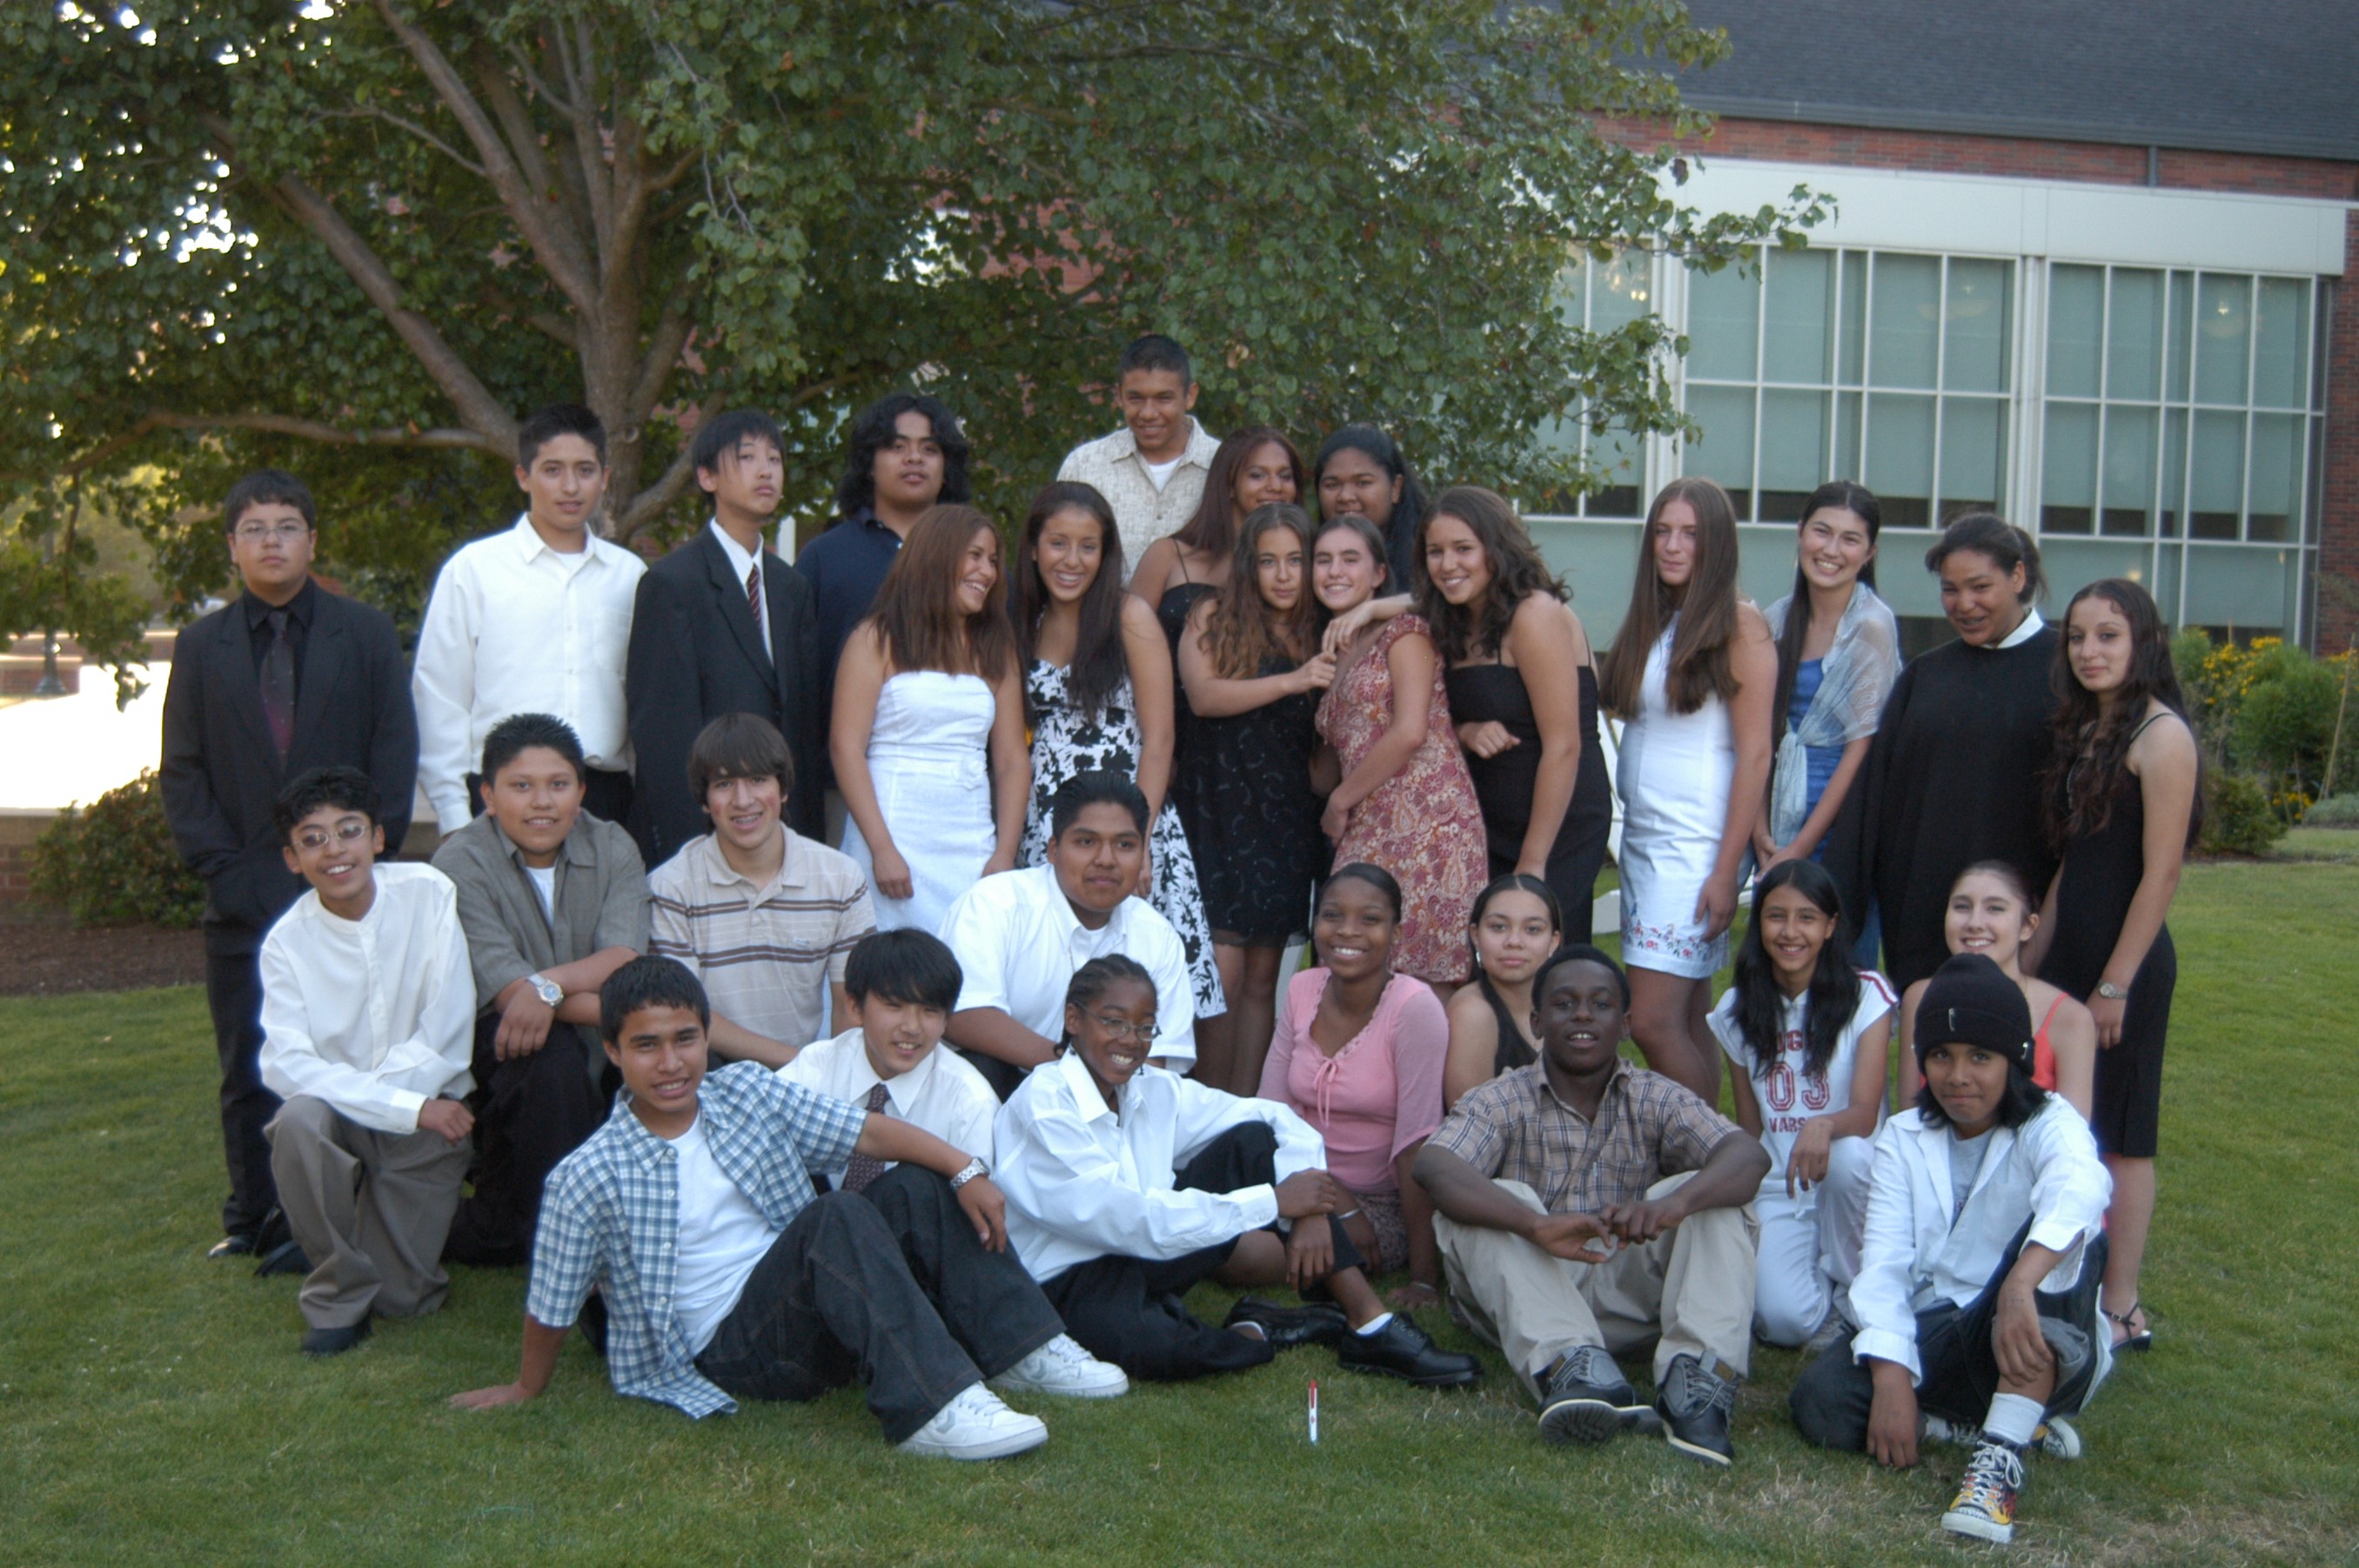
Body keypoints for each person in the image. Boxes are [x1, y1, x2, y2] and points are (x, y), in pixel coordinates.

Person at [450, 956, 1129, 1456]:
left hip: (809, 1301)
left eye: (685, 1039)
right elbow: (553, 1297)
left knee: (917, 1182)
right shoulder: (588, 1173)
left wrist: (962, 1167)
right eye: (645, 1046)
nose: (670, 1063)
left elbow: (863, 1131)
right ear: (612, 1052)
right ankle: (938, 1407)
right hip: (732, 1349)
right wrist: (524, 1387)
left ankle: (1024, 1349)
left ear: (707, 1035)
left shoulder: (743, 1090)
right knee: (832, 1215)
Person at [994, 955, 1479, 1387]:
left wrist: (1307, 1213)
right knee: (1176, 1352)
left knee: (1253, 1140)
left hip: (1143, 1254)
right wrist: (1274, 1202)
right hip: (1067, 1279)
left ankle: (1371, 1322)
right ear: (1073, 1020)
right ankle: (1264, 1325)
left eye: (1145, 1028)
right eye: (1114, 1022)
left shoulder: (1151, 1088)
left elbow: (1272, 1117)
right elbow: (1128, 1217)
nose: (1131, 1041)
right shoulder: (1045, 1104)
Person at [161, 468, 419, 1268]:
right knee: (248, 1061)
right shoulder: (201, 647)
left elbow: (393, 750)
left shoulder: (367, 635)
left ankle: (358, 1205)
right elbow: (183, 769)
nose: (272, 541)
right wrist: (228, 873)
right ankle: (255, 1217)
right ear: (232, 546)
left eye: (286, 526)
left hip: (347, 890)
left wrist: (357, 855)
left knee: (356, 1050)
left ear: (313, 539)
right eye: (255, 529)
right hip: (243, 892)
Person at [1789, 953, 2114, 1548]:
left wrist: (2018, 1286)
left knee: (2065, 1244)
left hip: (2035, 1331)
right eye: (1940, 1055)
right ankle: (1980, 1427)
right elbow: (1881, 1264)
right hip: (1940, 1328)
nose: (1957, 1075)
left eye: (1979, 1057)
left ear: (2013, 1059)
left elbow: (2081, 1188)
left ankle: (1997, 1462)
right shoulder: (1903, 1136)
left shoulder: (2048, 1123)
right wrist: (1889, 1377)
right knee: (1821, 1402)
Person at [1414, 946, 1770, 1465]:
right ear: (1537, 1022)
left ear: (1625, 1023)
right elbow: (1435, 1166)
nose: (1582, 1015)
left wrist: (1674, 1204)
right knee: (1492, 1198)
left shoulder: (1656, 1095)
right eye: (1564, 1004)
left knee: (1711, 1192)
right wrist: (1533, 1224)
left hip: (1623, 1285)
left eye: (1600, 1005)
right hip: (1528, 1292)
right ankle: (1571, 1369)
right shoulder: (1500, 1098)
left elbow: (1746, 1155)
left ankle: (1697, 1384)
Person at [2028, 578, 2200, 1357]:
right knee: (2062, 1121)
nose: (2089, 651)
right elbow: (2074, 862)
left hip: (2122, 968)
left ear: (2142, 643)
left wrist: (2113, 983)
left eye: (2108, 636)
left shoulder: (2161, 736)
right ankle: (2056, 1278)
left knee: (2122, 1135)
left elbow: (2160, 875)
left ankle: (2120, 1304)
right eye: (2076, 638)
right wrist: (2028, 958)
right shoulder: (2089, 730)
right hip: (2065, 957)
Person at [258, 767, 473, 1356]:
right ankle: (334, 1292)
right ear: (291, 858)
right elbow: (287, 1066)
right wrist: (397, 1104)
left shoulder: (429, 893)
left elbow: (446, 1032)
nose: (334, 851)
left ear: (377, 837)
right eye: (313, 839)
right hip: (356, 1116)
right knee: (298, 1120)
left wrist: (404, 1107)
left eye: (348, 831)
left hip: (427, 1111)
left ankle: (334, 1227)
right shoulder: (286, 944)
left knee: (405, 1299)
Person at [430, 713, 649, 1266]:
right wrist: (596, 1007)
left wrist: (548, 988)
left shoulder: (613, 845)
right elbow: (506, 991)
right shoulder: (460, 860)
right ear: (488, 794)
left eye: (558, 785)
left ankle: (531, 1225)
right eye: (520, 786)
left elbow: (623, 957)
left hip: (588, 1020)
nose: (541, 803)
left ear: (581, 790)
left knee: (664, 1049)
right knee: (549, 1060)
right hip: (499, 1041)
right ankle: (562, 1241)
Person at [1013, 482, 1221, 1022]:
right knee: (1050, 979)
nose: (1072, 560)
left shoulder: (1128, 616)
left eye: (1088, 546)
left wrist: (1141, 838)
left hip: (1126, 816)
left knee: (1136, 986)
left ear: (1105, 554)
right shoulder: (1021, 621)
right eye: (1058, 543)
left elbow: (1160, 739)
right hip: (1047, 818)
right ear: (1034, 547)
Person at [1598, 478, 1776, 1103]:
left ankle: (1708, 1159)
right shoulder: (1656, 621)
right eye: (1662, 532)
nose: (1672, 546)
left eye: (1690, 534)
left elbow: (1755, 752)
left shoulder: (1740, 627)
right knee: (1685, 1018)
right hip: (1644, 842)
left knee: (1646, 1020)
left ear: (1717, 544)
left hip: (1694, 849)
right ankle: (1703, 1164)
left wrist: (1727, 868)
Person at [1829, 513, 2060, 991]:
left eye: (1980, 587)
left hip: (2031, 933)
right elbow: (1875, 799)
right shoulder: (1925, 676)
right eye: (1951, 590)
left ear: (2018, 577)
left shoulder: (2066, 673)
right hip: (1923, 921)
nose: (1964, 605)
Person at [412, 403, 646, 832]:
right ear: (523, 476)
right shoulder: (475, 570)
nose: (570, 486)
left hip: (606, 798)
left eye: (586, 470)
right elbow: (440, 695)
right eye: (552, 470)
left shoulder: (630, 576)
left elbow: (644, 700)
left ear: (605, 478)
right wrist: (452, 815)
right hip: (500, 795)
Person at [1176, 502, 1334, 1094]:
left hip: (1286, 817)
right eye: (1268, 561)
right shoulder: (1211, 614)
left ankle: (1240, 1114)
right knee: (1221, 971)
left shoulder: (1322, 630)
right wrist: (1294, 680)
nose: (1284, 574)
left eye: (1296, 560)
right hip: (1216, 806)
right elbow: (1204, 696)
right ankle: (1199, 1104)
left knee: (1265, 976)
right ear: (1248, 565)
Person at [1704, 861, 1894, 1349]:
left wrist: (1822, 1126)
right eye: (1776, 916)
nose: (1791, 932)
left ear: (1830, 927)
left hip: (1852, 1175)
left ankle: (1858, 1289)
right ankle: (1824, 1301)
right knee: (1783, 1321)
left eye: (1807, 918)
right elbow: (1752, 1125)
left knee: (1848, 1155)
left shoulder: (1865, 995)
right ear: (1758, 922)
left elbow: (1867, 1112)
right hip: (1782, 1181)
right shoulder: (1736, 1008)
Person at [627, 408, 824, 866]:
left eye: (774, 460)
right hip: (705, 833)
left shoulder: (792, 587)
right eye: (747, 457)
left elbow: (803, 718)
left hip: (785, 831)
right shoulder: (672, 584)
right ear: (707, 476)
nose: (765, 471)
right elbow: (662, 728)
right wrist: (688, 842)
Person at [1423, 488, 1613, 943]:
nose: (1448, 564)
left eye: (1464, 548)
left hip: (1555, 825)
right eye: (1435, 551)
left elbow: (1565, 745)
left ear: (1497, 547)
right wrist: (1465, 732)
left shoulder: (1534, 614)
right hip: (1486, 822)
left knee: (1538, 967)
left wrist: (1533, 864)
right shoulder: (1452, 620)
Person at [1309, 513, 1487, 989]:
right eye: (1323, 560)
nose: (1335, 571)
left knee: (1425, 983)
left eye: (1351, 559)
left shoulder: (1405, 631)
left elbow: (1410, 731)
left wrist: (1340, 801)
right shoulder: (1331, 650)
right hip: (1370, 821)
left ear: (1379, 575)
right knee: (1360, 975)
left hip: (1427, 820)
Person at [940, 772, 1198, 1099]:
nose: (1106, 860)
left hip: (1107, 1106)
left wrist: (1091, 1081)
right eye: (1086, 842)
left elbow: (1158, 1060)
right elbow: (964, 1015)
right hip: (997, 1096)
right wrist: (1077, 1072)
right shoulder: (995, 903)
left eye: (1124, 845)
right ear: (1053, 850)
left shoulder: (1157, 935)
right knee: (980, 1070)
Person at [833, 504, 1029, 933]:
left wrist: (1004, 854)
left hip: (969, 837)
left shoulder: (997, 647)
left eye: (993, 560)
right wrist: (881, 849)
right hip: (891, 829)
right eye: (975, 556)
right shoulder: (875, 639)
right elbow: (846, 748)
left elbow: (1013, 760)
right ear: (938, 554)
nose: (988, 571)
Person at [1257, 864, 1448, 1304]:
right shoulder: (1302, 989)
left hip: (1375, 1206)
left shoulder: (1415, 1011)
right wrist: (1326, 1198)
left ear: (1395, 932)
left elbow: (1416, 1144)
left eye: (1370, 919)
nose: (1347, 931)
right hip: (1294, 1178)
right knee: (1244, 1250)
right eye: (1332, 915)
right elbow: (1269, 1111)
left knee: (1259, 1257)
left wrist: (1424, 1279)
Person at [648, 714, 875, 1066]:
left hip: (805, 1080)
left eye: (757, 780)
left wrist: (833, 1080)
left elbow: (851, 1004)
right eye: (724, 784)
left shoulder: (840, 877)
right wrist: (800, 1067)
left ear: (783, 789)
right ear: (705, 801)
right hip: (708, 1075)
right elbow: (684, 1013)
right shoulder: (672, 887)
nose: (743, 800)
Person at [795, 392, 971, 787]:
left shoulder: (976, 561)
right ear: (869, 463)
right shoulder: (824, 559)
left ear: (947, 466)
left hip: (960, 786)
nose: (914, 458)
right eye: (897, 446)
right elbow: (799, 684)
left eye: (930, 449)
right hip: (842, 786)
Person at [776, 929, 1006, 1203]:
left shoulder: (970, 1101)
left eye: (929, 1011)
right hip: (817, 1232)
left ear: (947, 1020)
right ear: (855, 1007)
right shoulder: (816, 1066)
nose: (911, 1027)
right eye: (894, 1006)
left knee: (914, 1183)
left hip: (912, 1241)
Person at [1757, 481, 1900, 874]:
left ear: (1870, 553)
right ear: (1800, 532)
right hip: (1775, 815)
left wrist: (1800, 847)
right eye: (1822, 532)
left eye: (1850, 539)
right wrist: (1759, 831)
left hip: (1841, 824)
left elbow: (1861, 749)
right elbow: (1756, 733)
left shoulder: (1870, 627)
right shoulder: (1774, 621)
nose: (1831, 550)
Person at [1897, 862, 2095, 1118]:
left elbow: (2074, 1135)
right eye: (1962, 907)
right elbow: (1909, 1115)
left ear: (2028, 926)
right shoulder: (1920, 997)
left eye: (1995, 909)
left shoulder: (2070, 1017)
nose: (1974, 923)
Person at [1056, 334, 1222, 565]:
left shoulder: (1224, 466)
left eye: (1163, 398)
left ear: (1190, 396)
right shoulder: (1084, 466)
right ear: (1119, 396)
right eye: (1136, 398)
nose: (1148, 413)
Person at [1130, 425, 1302, 602]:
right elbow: (1128, 626)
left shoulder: (1301, 566)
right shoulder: (1166, 555)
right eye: (1257, 476)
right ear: (1229, 484)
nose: (1275, 486)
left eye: (1285, 476)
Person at [1442, 874, 1564, 1110]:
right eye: (1498, 927)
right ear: (1475, 935)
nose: (1514, 941)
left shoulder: (1563, 1004)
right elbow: (1471, 1128)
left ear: (1553, 941)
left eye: (1532, 929)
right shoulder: (1472, 1013)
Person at [1313, 423, 1428, 602]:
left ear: (1396, 487)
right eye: (1332, 485)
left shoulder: (1429, 557)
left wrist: (1375, 610)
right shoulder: (1304, 560)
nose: (1345, 497)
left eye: (1363, 483)